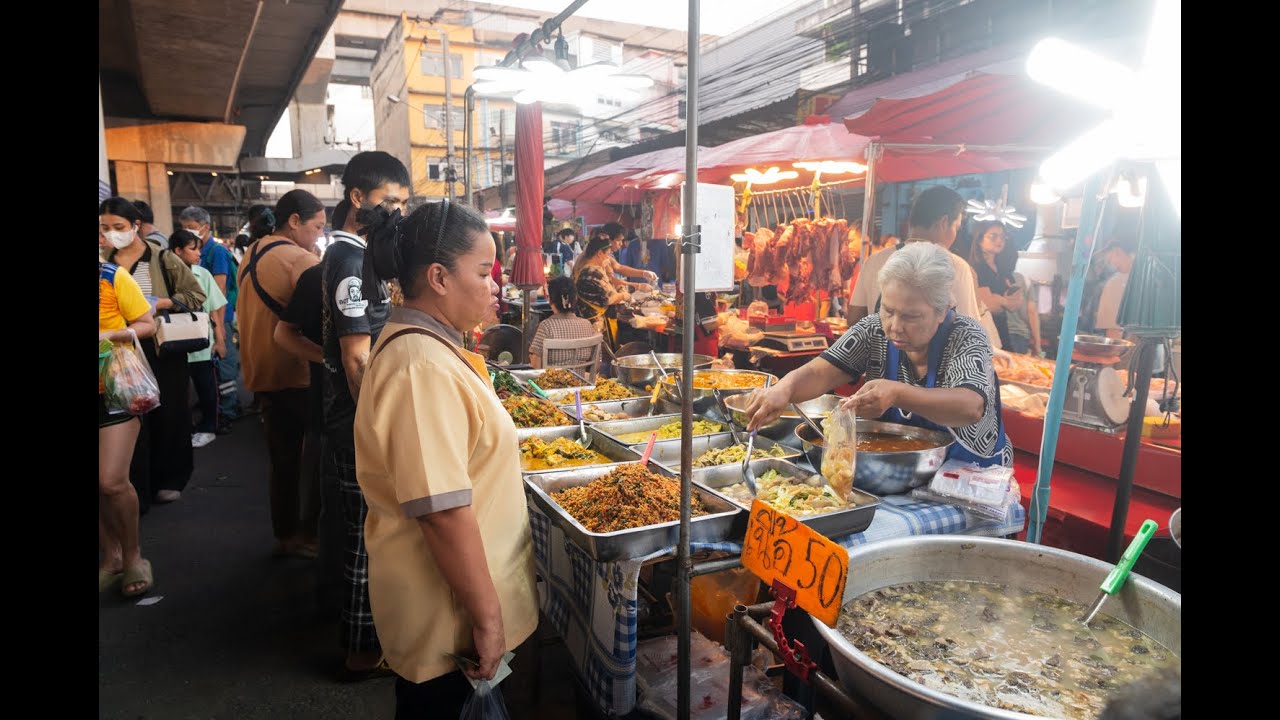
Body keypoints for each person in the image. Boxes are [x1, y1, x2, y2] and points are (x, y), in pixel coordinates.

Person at [356, 199, 538, 717]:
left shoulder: (434, 349)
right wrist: (487, 620)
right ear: (438, 276)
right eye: (484, 272)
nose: (495, 285)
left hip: (454, 609)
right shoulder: (420, 367)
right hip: (446, 622)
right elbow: (441, 511)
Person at [747, 242, 1012, 469]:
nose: (894, 325)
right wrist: (785, 388)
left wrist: (896, 393)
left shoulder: (966, 334)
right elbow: (820, 371)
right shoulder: (873, 328)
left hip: (972, 480)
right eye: (888, 310)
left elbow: (970, 406)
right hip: (899, 471)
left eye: (911, 316)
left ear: (943, 310)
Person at [321, 150, 410, 676]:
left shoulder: (358, 253)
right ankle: (360, 652)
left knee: (367, 534)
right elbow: (356, 355)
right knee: (365, 539)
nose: (397, 211)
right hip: (355, 424)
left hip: (355, 418)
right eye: (389, 200)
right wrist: (375, 429)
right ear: (357, 198)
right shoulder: (351, 259)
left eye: (403, 201)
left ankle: (366, 642)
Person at [101, 197, 207, 510]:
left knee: (169, 412)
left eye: (118, 227)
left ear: (135, 226)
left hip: (161, 347)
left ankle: (170, 478)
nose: (111, 234)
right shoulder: (105, 261)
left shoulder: (161, 257)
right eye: (104, 228)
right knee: (131, 414)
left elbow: (196, 295)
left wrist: (158, 302)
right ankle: (136, 486)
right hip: (119, 350)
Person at [237, 189, 325, 558]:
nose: (318, 235)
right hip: (295, 369)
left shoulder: (251, 253)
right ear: (294, 221)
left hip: (260, 369)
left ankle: (286, 533)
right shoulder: (299, 259)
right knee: (315, 457)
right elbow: (321, 315)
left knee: (282, 457)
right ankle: (308, 533)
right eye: (317, 227)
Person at [845, 187, 983, 329]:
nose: (955, 235)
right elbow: (969, 330)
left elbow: (854, 319)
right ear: (943, 222)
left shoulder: (874, 261)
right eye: (956, 227)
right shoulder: (955, 266)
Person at [99, 260, 157, 597]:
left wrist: (111, 334)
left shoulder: (112, 277)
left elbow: (147, 324)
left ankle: (134, 555)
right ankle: (111, 556)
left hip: (116, 390)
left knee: (111, 481)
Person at [180, 205, 244, 427]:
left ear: (205, 228)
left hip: (220, 317)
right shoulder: (198, 249)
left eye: (192, 227)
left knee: (223, 363)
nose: (187, 231)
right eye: (184, 227)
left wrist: (219, 333)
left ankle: (227, 408)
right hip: (207, 319)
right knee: (211, 367)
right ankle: (217, 405)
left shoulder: (216, 252)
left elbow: (220, 290)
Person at [170, 229, 228, 450]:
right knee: (178, 390)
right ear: (177, 251)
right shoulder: (165, 275)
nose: (199, 253)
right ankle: (184, 430)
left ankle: (208, 428)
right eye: (193, 249)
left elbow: (215, 307)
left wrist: (220, 339)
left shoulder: (202, 274)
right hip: (173, 343)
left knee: (207, 388)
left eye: (199, 248)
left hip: (202, 342)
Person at [968, 221, 1030, 352]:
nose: (999, 241)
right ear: (980, 240)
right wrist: (1005, 301)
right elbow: (988, 305)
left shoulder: (1003, 270)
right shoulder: (976, 268)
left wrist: (1000, 300)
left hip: (1003, 330)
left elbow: (1016, 304)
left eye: (1002, 237)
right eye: (993, 236)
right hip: (983, 332)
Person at [573, 231, 633, 350]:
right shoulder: (592, 271)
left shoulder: (591, 268)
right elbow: (609, 297)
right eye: (608, 254)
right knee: (597, 359)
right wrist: (625, 296)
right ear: (600, 253)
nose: (609, 258)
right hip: (593, 324)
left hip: (591, 323)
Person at [529, 276, 600, 369]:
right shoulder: (587, 325)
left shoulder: (546, 326)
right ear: (575, 299)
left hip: (553, 383)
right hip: (582, 382)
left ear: (550, 300)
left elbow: (535, 366)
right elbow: (597, 366)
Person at [1094, 235, 1136, 339]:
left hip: (1127, 350)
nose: (1111, 265)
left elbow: (1113, 332)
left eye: (1109, 260)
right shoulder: (1147, 276)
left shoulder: (1116, 283)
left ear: (1117, 251)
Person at [600, 222, 658, 291]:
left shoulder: (608, 255)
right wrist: (638, 286)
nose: (621, 244)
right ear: (608, 240)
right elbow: (613, 281)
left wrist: (644, 273)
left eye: (622, 240)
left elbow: (619, 267)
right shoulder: (600, 256)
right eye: (618, 240)